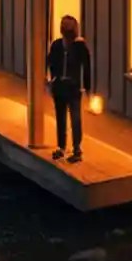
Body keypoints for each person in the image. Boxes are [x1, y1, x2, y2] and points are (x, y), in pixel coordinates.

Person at [47, 15, 93, 163]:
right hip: (60, 85)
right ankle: (61, 147)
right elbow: (50, 63)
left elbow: (86, 69)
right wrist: (52, 80)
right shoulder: (56, 45)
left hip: (73, 87)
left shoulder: (80, 47)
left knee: (75, 118)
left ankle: (76, 149)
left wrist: (86, 88)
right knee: (61, 117)